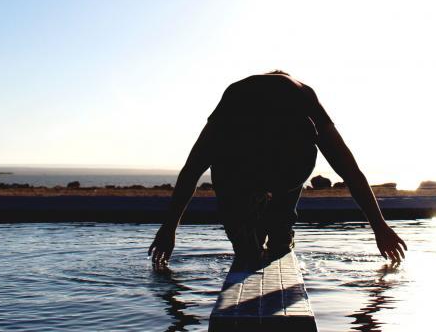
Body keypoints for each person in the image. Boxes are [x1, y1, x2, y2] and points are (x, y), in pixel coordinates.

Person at [148, 71, 407, 268]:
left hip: (265, 164)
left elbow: (191, 171)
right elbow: (351, 172)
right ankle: (276, 233)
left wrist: (170, 227)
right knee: (267, 237)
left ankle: (268, 233)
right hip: (263, 164)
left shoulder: (259, 97)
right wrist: (379, 226)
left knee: (249, 250)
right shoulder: (295, 96)